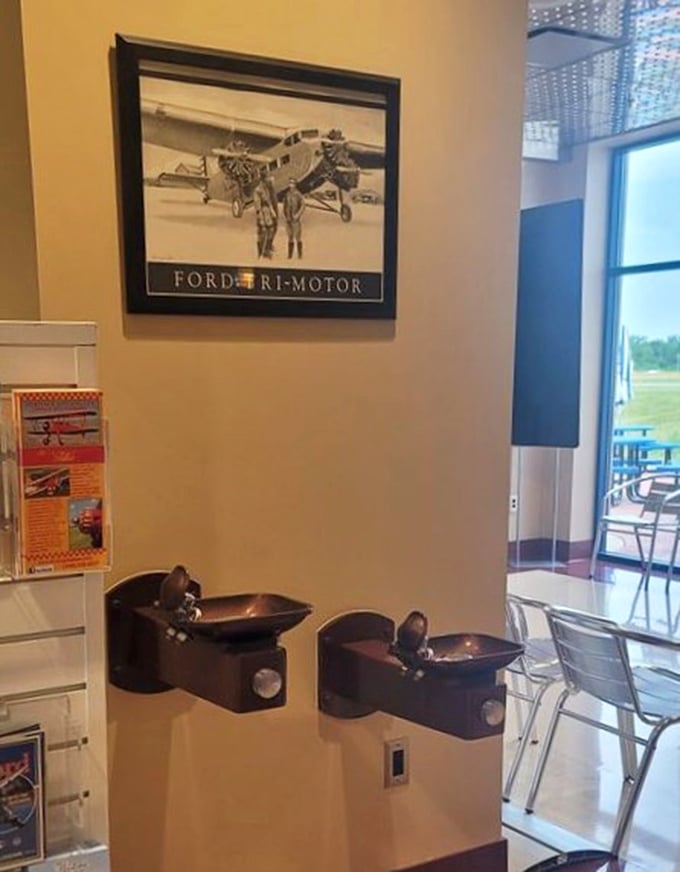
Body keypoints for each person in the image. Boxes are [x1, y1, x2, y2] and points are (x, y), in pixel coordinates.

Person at [253, 167, 277, 258]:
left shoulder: (267, 188)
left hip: (268, 211)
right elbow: (257, 204)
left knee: (271, 229)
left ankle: (267, 248)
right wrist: (260, 217)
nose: (270, 179)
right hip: (262, 212)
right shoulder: (258, 190)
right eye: (268, 177)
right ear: (264, 179)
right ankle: (261, 252)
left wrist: (272, 211)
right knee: (262, 232)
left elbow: (269, 201)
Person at [282, 177, 305, 259]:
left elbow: (302, 206)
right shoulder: (287, 194)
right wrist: (285, 215)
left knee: (298, 237)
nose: (291, 185)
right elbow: (285, 205)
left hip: (295, 219)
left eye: (292, 183)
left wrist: (297, 215)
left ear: (295, 185)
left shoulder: (298, 195)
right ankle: (290, 255)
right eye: (290, 183)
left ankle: (300, 255)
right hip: (288, 219)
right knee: (290, 237)